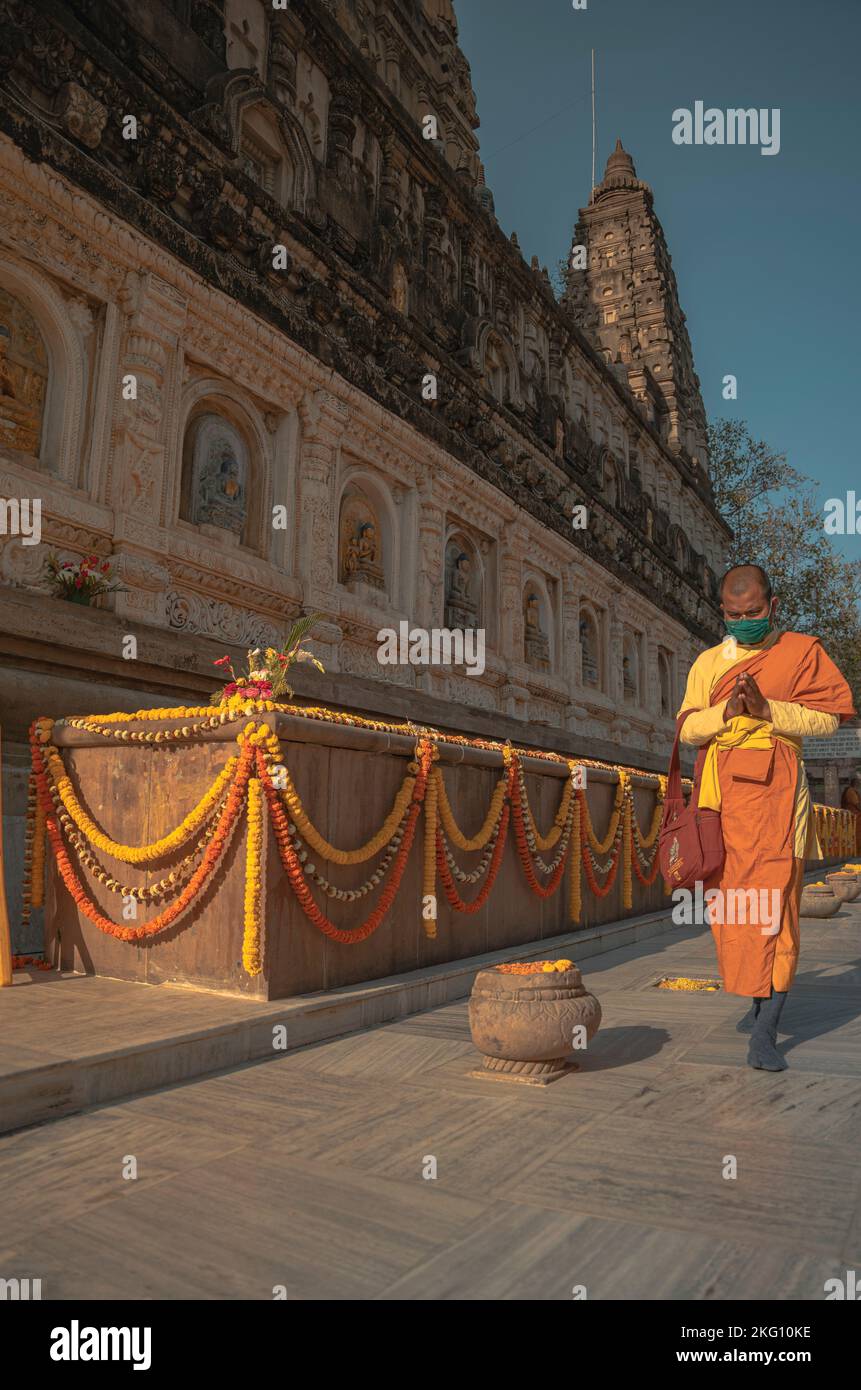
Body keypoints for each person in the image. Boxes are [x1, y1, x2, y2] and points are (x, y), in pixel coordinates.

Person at [677, 564, 855, 1071]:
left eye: (753, 613)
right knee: (734, 910)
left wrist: (768, 710)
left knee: (776, 909)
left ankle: (767, 1030)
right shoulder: (710, 662)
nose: (744, 621)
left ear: (772, 606)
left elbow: (828, 717)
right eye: (734, 615)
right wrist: (728, 716)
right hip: (722, 799)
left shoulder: (801, 653)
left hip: (778, 801)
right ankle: (756, 1003)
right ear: (723, 613)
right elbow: (688, 727)